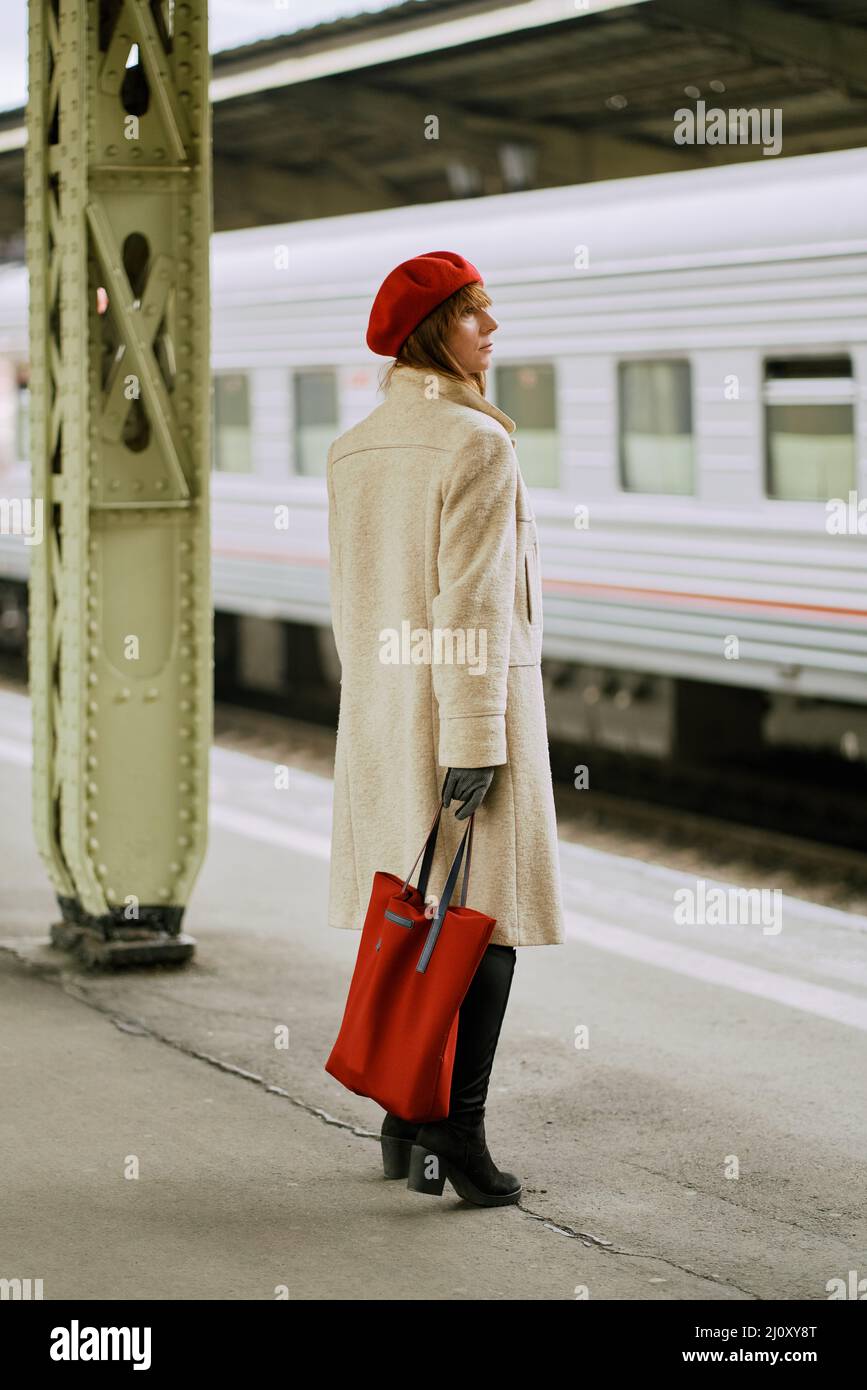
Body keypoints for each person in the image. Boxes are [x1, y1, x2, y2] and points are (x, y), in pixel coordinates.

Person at [326, 251, 564, 1207]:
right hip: (462, 711)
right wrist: (476, 739)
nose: (492, 334)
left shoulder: (357, 444)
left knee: (418, 916)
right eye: (476, 319)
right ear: (436, 334)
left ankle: (400, 1126)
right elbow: (469, 605)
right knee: (481, 933)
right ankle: (456, 1136)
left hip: (384, 713)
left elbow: (351, 603)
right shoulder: (476, 444)